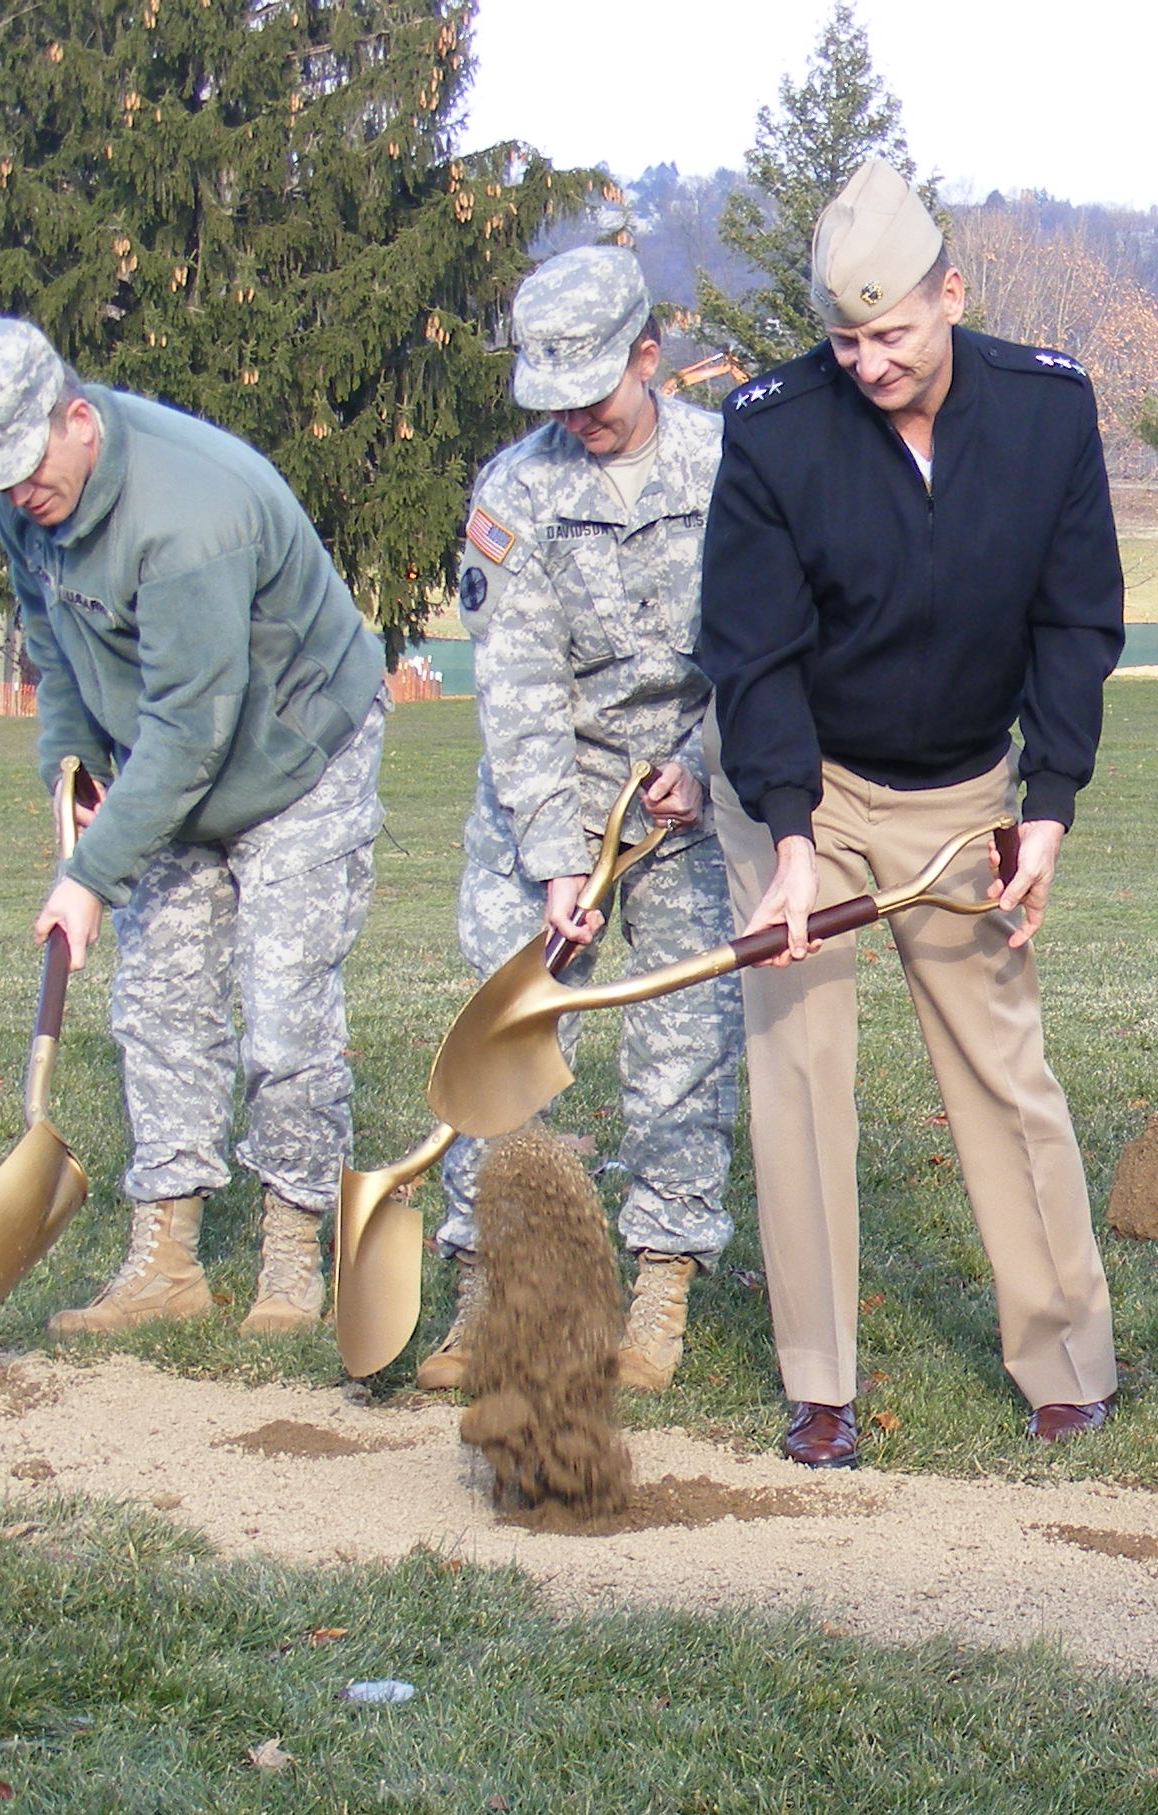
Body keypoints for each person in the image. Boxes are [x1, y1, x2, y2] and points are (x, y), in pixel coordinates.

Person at [697, 161, 1122, 1469]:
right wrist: (788, 843)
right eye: (844, 338)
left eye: (891, 335)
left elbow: (1077, 620)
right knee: (802, 1063)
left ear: (951, 292)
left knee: (1001, 1065)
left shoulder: (1049, 414)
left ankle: (1065, 1359)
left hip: (964, 787)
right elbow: (751, 653)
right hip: (802, 784)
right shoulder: (773, 430)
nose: (869, 362)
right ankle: (818, 1385)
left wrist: (1045, 806)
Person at [0, 315, 387, 1341]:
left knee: (285, 1015)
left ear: (79, 420)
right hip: (171, 758)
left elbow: (191, 730)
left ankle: (290, 1248)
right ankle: (166, 1259)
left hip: (295, 753)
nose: (14, 496)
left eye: (25, 466)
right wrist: (72, 771)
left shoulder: (187, 517)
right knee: (161, 999)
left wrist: (91, 874)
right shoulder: (26, 511)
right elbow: (53, 652)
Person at [413, 244, 743, 1397]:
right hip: (544, 796)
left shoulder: (734, 465)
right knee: (500, 1036)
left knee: (685, 1049)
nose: (576, 420)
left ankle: (660, 1286)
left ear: (650, 358)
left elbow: (771, 647)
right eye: (551, 399)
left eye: (594, 394)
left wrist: (705, 765)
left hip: (697, 795)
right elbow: (516, 690)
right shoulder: (515, 493)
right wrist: (557, 859)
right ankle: (488, 1287)